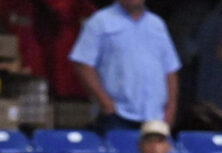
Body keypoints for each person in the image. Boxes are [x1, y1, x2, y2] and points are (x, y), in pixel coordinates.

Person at [70, 0, 180, 134]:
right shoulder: (100, 22)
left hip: (156, 117)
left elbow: (170, 70)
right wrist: (106, 104)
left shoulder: (157, 25)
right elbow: (82, 64)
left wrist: (171, 108)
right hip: (118, 116)